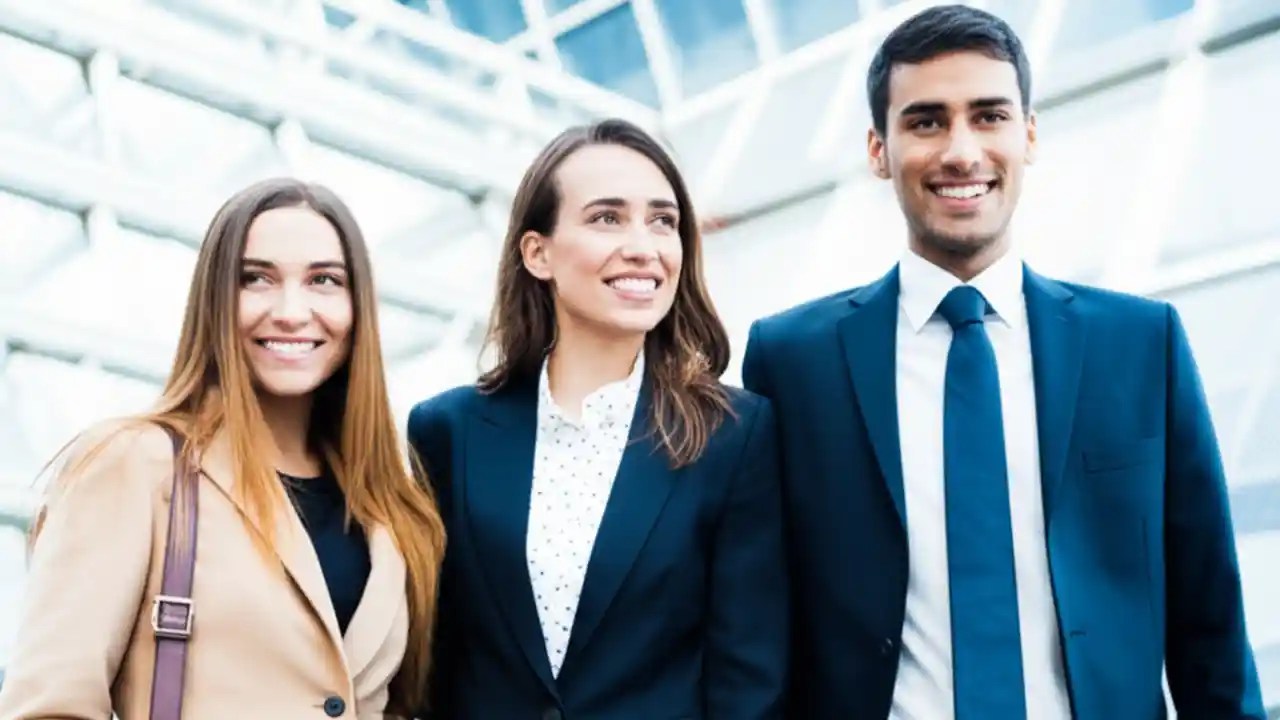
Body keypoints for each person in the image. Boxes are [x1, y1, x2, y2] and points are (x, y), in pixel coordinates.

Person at [742, 5, 1264, 719]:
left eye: (988, 116)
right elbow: (762, 622)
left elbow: (1211, 623)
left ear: (1029, 134)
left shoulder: (1142, 345)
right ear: (877, 149)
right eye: (926, 121)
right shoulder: (793, 361)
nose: (961, 151)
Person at [0, 178, 446, 719]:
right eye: (256, 279)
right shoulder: (136, 465)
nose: (290, 310)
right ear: (215, 300)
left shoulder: (395, 516)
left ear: (358, 308)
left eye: (323, 280)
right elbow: (51, 706)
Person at [407, 118, 787, 719]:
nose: (643, 245)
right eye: (607, 217)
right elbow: (436, 660)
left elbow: (748, 678)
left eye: (662, 220)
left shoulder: (734, 435)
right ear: (538, 253)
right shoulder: (447, 431)